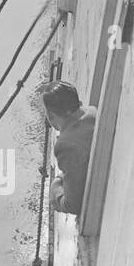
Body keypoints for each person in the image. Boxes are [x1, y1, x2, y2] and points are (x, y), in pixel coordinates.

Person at [42, 81, 97, 215]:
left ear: (50, 115)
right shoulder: (92, 111)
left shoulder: (65, 146)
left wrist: (55, 190)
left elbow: (73, 205)